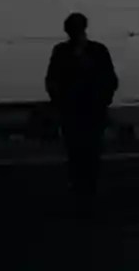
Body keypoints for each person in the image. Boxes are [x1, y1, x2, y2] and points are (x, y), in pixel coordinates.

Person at [45, 12, 118, 213]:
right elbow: (52, 82)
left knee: (86, 154)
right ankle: (83, 194)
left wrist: (100, 101)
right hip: (77, 112)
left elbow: (110, 80)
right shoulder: (71, 52)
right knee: (80, 155)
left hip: (88, 112)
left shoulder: (93, 51)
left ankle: (86, 193)